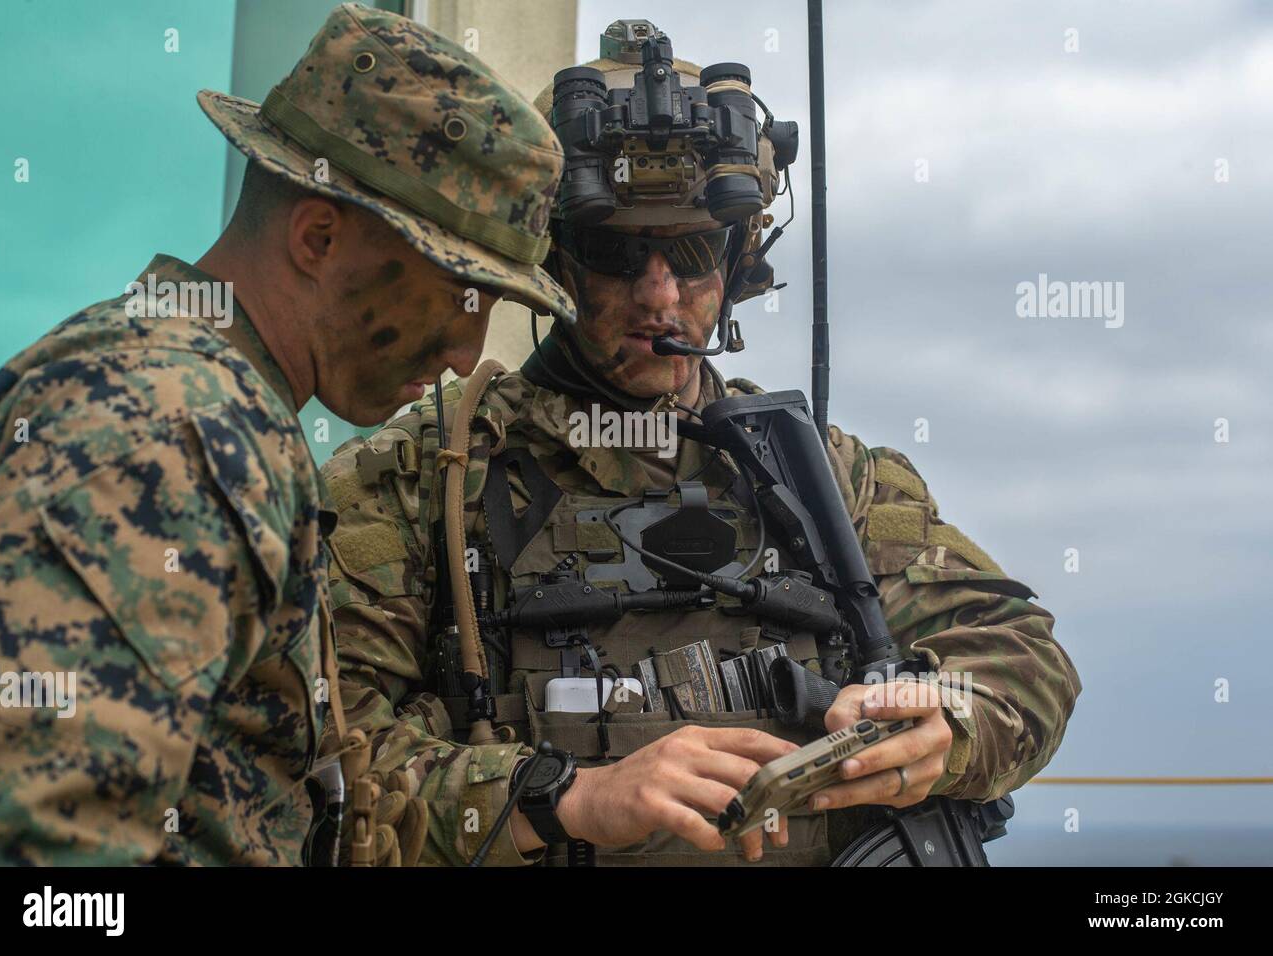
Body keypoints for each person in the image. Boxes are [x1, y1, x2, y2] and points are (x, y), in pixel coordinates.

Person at [321, 19, 1080, 867]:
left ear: (739, 257)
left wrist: (949, 720)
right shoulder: (424, 482)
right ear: (552, 259)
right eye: (617, 253)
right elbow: (321, 769)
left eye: (690, 251)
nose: (660, 295)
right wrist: (566, 797)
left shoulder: (828, 478)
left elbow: (1021, 656)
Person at [0, 2, 572, 865]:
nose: (467, 353)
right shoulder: (181, 428)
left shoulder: (205, 407)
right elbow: (33, 848)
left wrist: (567, 803)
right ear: (319, 236)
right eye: (462, 296)